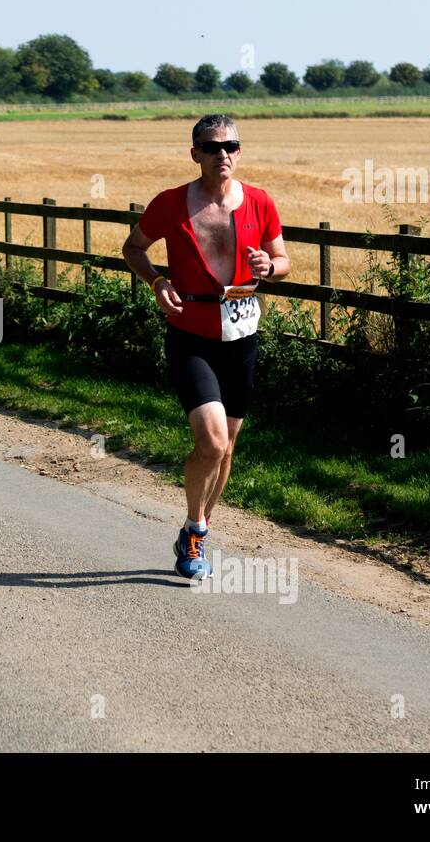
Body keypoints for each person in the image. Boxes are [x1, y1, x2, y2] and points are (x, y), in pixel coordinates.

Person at [121, 114, 290, 580]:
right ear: (194, 153)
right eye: (212, 147)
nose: (223, 155)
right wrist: (156, 280)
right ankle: (194, 528)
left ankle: (200, 528)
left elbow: (284, 261)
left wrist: (268, 268)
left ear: (239, 152)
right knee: (211, 443)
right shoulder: (171, 204)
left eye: (231, 146)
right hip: (191, 334)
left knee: (228, 447)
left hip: (242, 333)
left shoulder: (259, 202)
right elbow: (132, 247)